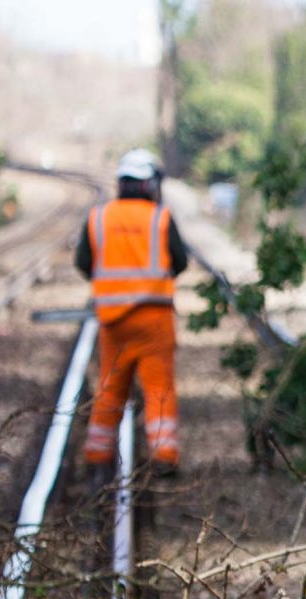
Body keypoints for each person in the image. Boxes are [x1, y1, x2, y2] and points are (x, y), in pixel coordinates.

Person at [77, 148, 189, 482]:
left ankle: (98, 457)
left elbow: (84, 262)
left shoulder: (99, 217)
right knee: (158, 388)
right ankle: (164, 456)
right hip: (154, 320)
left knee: (110, 388)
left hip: (113, 321)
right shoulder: (160, 217)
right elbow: (179, 260)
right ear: (150, 184)